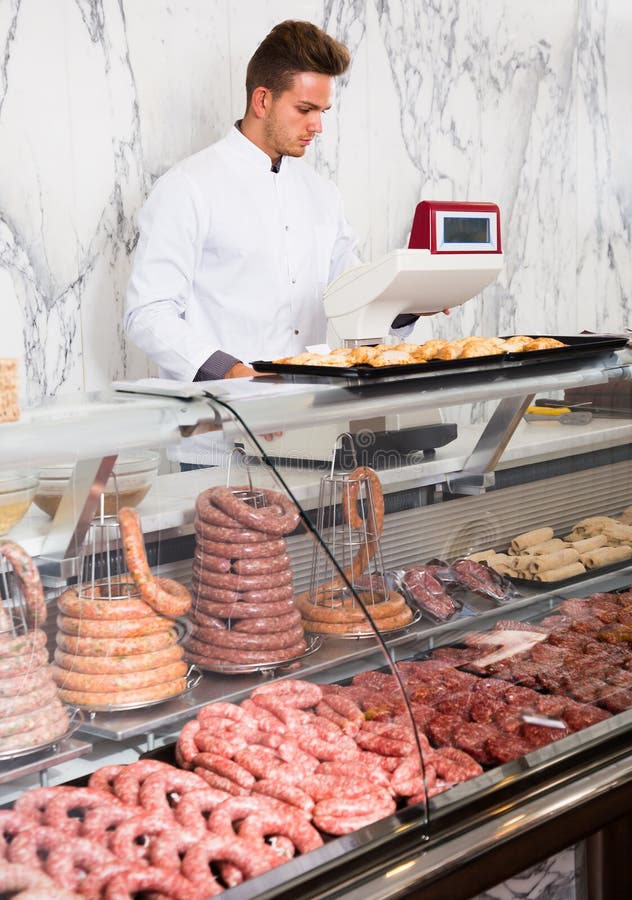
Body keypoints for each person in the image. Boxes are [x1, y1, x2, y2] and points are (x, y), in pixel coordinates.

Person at [125, 20, 426, 465]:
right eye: (305, 109)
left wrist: (413, 298)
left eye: (323, 111)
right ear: (262, 99)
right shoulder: (189, 187)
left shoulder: (322, 193)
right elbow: (147, 314)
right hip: (217, 445)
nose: (318, 126)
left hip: (312, 435)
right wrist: (233, 374)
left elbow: (353, 293)